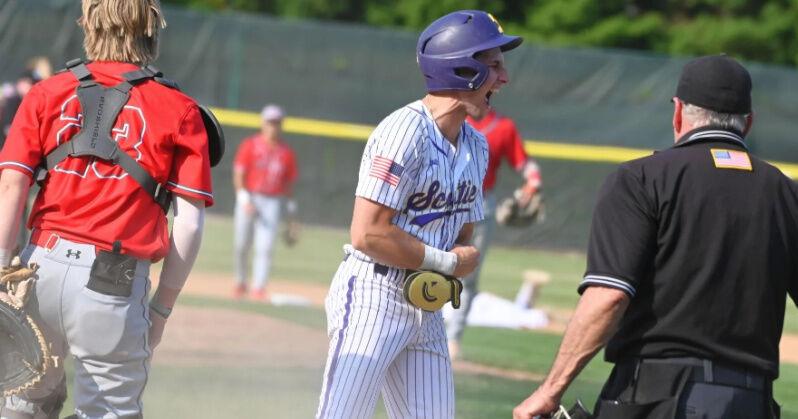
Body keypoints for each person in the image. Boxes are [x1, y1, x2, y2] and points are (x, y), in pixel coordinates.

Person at [513, 55, 795, 419]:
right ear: (749, 122)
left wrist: (550, 391)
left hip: (660, 396)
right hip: (752, 401)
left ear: (678, 112)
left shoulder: (641, 179)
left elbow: (609, 296)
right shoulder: (785, 193)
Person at [0, 0, 215, 417]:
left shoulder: (47, 91)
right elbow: (188, 224)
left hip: (36, 267)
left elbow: (12, 185)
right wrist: (162, 309)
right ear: (152, 28)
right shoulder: (179, 109)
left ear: (87, 23)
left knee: (22, 404)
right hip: (112, 282)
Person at [316, 10, 521, 418]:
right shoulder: (403, 132)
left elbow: (463, 237)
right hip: (373, 295)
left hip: (427, 303)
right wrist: (447, 261)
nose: (504, 77)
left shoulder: (477, 147)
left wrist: (461, 256)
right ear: (461, 69)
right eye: (493, 65)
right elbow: (368, 234)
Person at [445, 107, 542, 359]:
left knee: (468, 275)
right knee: (428, 265)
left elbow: (524, 162)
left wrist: (533, 181)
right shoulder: (449, 117)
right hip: (442, 201)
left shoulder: (503, 127)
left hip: (481, 206)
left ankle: (453, 338)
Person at [232, 104, 298, 301]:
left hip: (272, 201)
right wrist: (243, 198)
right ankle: (241, 281)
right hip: (250, 197)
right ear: (263, 123)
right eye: (270, 122)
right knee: (241, 244)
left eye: (277, 123)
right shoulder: (250, 145)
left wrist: (291, 211)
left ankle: (259, 286)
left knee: (266, 246)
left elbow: (289, 183)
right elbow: (239, 174)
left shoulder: (286, 153)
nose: (273, 127)